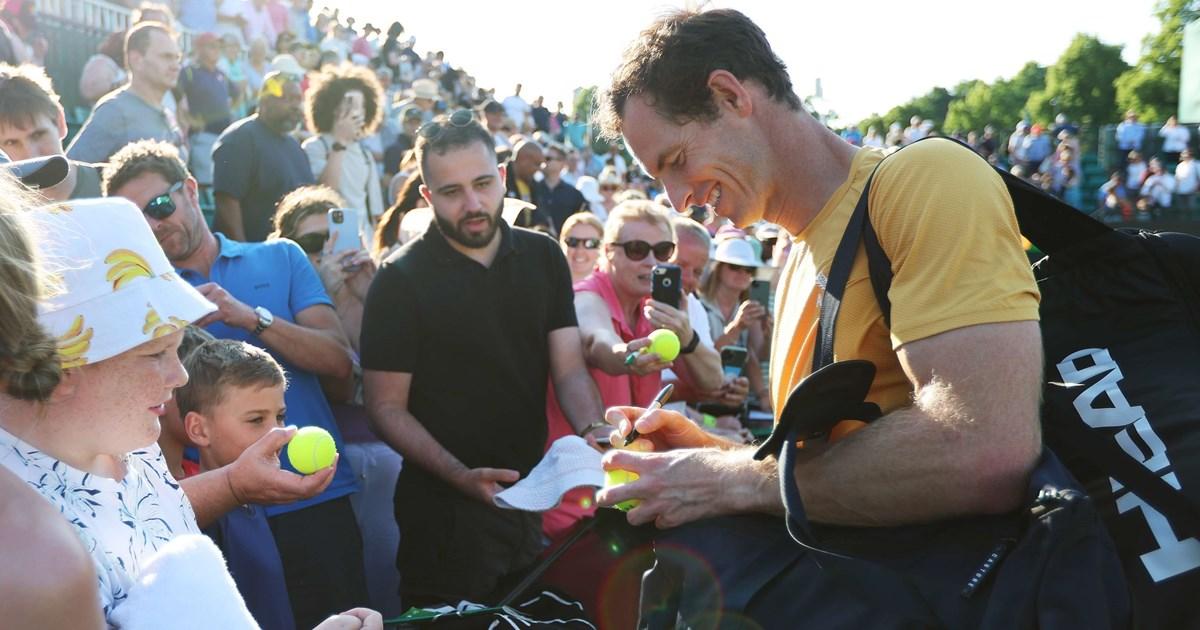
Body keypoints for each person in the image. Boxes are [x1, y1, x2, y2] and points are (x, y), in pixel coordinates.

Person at [593, 5, 1042, 565]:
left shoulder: (926, 181)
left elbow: (987, 449)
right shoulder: (797, 252)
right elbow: (825, 472)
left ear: (730, 96)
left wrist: (729, 478)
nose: (677, 199)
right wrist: (704, 458)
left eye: (677, 160)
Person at [104, 140, 369, 629]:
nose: (155, 224)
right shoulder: (139, 298)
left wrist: (249, 317)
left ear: (190, 189)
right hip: (215, 512)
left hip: (316, 496)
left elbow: (339, 362)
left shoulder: (282, 256)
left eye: (159, 205)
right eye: (137, 220)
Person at [360, 110, 606, 607]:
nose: (472, 204)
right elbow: (385, 407)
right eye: (452, 192)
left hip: (529, 502)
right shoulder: (399, 280)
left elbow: (569, 370)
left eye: (482, 183)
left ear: (502, 176)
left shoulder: (544, 257)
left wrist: (595, 430)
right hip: (441, 519)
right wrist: (459, 475)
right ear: (428, 196)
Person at [268, 185, 403, 616]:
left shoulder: (370, 291)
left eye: (336, 238)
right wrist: (323, 296)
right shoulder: (283, 303)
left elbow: (399, 370)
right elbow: (336, 378)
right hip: (323, 467)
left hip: (384, 458)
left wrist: (372, 294)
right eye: (312, 243)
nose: (326, 252)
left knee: (388, 581)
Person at [179, 339, 297, 630]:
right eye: (256, 420)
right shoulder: (201, 524)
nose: (277, 433)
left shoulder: (252, 502)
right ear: (199, 429)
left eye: (280, 416)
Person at [213, 71, 315, 241]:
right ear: (265, 101)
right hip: (255, 250)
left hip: (291, 251)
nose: (295, 106)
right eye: (287, 98)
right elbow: (226, 201)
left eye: (298, 99)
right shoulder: (240, 138)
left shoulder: (295, 147)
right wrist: (244, 252)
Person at [66, 22, 186, 164]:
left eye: (177, 58)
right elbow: (71, 168)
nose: (176, 66)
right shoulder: (115, 110)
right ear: (137, 60)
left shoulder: (167, 114)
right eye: (166, 57)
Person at [0, 63, 103, 201]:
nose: (31, 154)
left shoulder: (116, 186)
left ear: (60, 123)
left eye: (38, 135)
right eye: (12, 143)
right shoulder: (5, 209)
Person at [302, 63, 386, 224]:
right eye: (350, 105)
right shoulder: (315, 147)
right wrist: (340, 141)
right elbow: (325, 195)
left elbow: (376, 213)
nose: (357, 113)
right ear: (333, 108)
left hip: (364, 238)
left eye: (361, 107)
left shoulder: (365, 154)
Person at [698, 237, 772, 410]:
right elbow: (701, 360)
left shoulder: (748, 309)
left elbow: (757, 356)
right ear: (718, 268)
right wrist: (737, 327)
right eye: (734, 266)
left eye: (749, 269)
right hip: (700, 399)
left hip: (735, 399)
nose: (743, 273)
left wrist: (769, 335)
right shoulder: (698, 305)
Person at [176, 32, 237, 198]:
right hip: (203, 137)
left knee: (224, 185)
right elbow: (175, 94)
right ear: (199, 48)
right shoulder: (189, 72)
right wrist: (188, 119)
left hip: (224, 138)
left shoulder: (221, 74)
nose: (217, 50)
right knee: (207, 187)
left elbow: (237, 93)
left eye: (219, 46)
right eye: (212, 46)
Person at [536, 141, 587, 231]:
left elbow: (583, 220)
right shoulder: (533, 188)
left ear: (562, 163)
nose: (543, 161)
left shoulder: (573, 194)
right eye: (543, 158)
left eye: (548, 158)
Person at [558, 212, 603, 283]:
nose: (580, 251)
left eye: (590, 243)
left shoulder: (614, 286)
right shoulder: (545, 281)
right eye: (573, 242)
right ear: (561, 243)